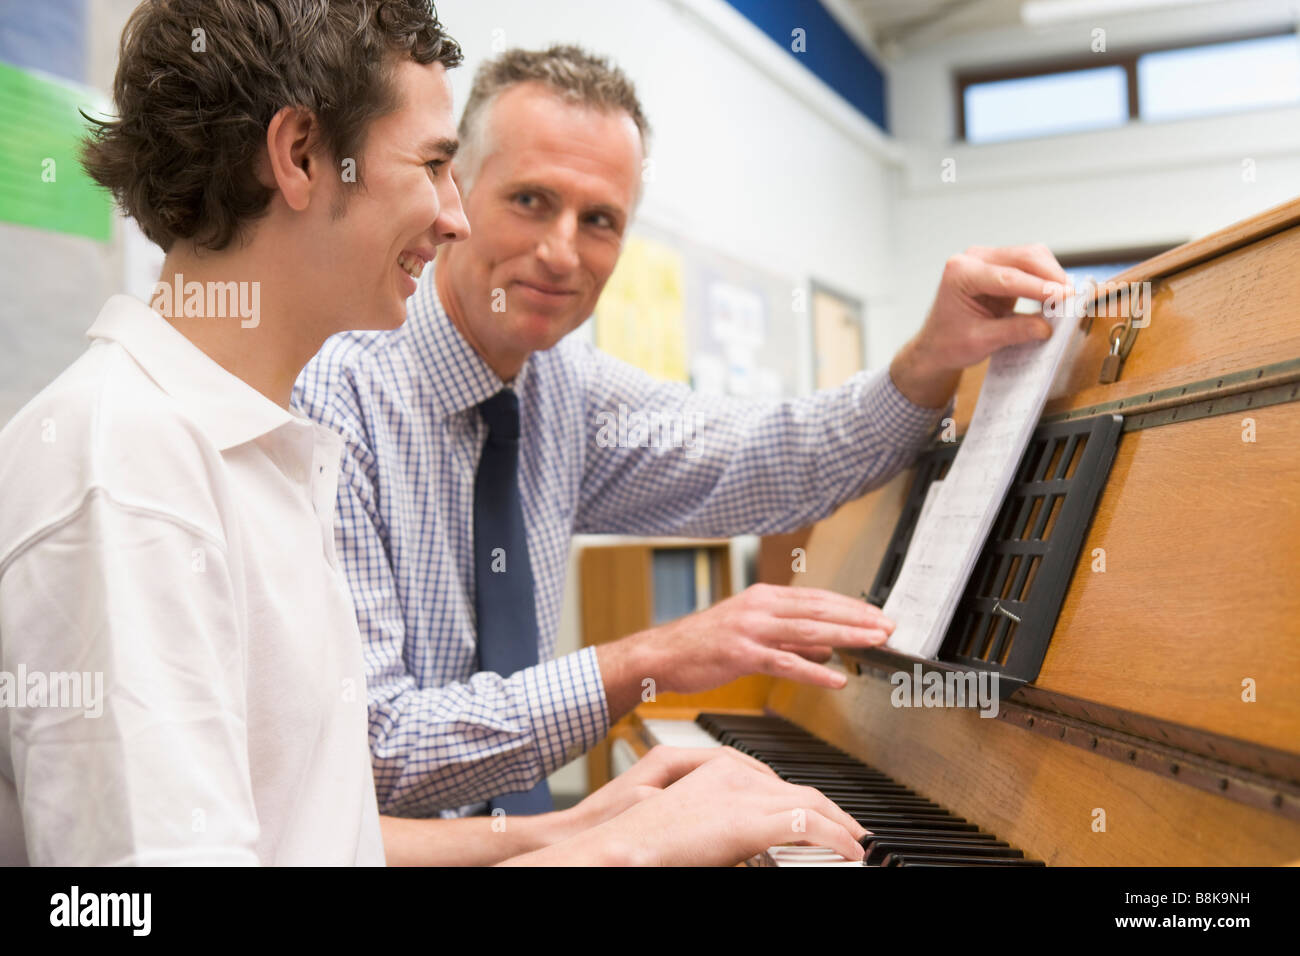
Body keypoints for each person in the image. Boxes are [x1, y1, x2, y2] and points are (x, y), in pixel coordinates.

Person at [0, 0, 865, 867]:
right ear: (301, 156)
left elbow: (313, 836)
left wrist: (568, 827)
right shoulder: (129, 476)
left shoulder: (266, 450)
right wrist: (627, 852)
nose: (455, 217)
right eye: (435, 165)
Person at [294, 43, 1070, 820]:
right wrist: (650, 657)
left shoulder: (567, 391)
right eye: (531, 200)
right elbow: (374, 755)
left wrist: (930, 358)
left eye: (599, 220)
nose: (562, 252)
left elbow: (776, 456)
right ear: (456, 190)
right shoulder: (336, 395)